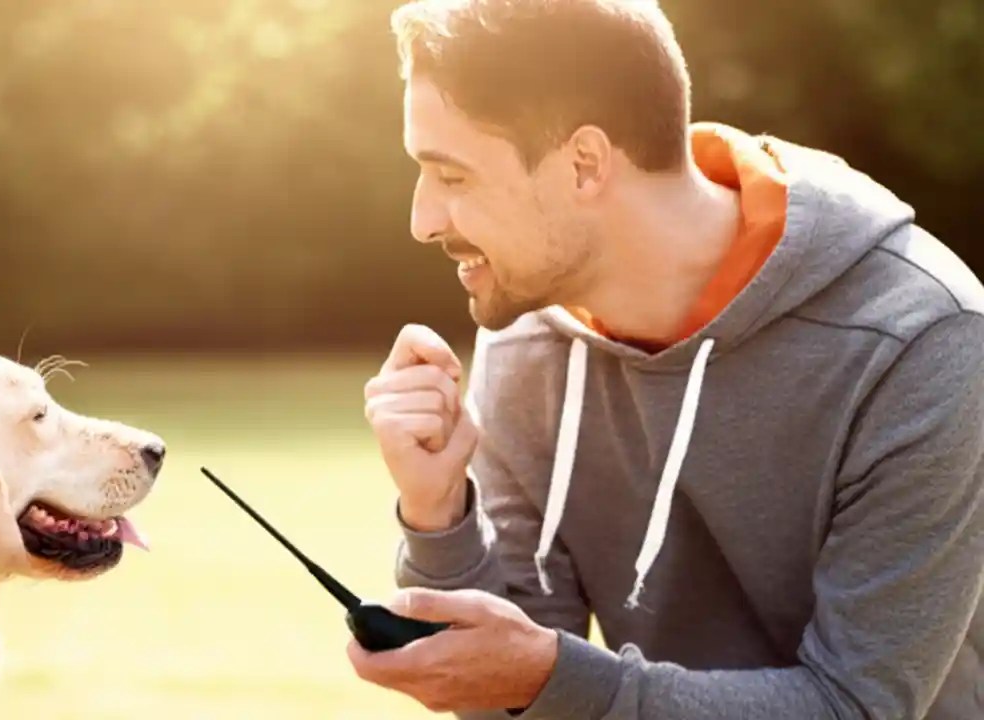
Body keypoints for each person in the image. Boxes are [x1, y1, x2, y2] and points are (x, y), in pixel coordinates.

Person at [345, 1, 984, 718]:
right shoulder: (530, 341)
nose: (421, 220)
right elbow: (506, 693)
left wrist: (563, 681)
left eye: (452, 177)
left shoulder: (920, 340)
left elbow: (857, 705)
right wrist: (440, 516)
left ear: (584, 164)